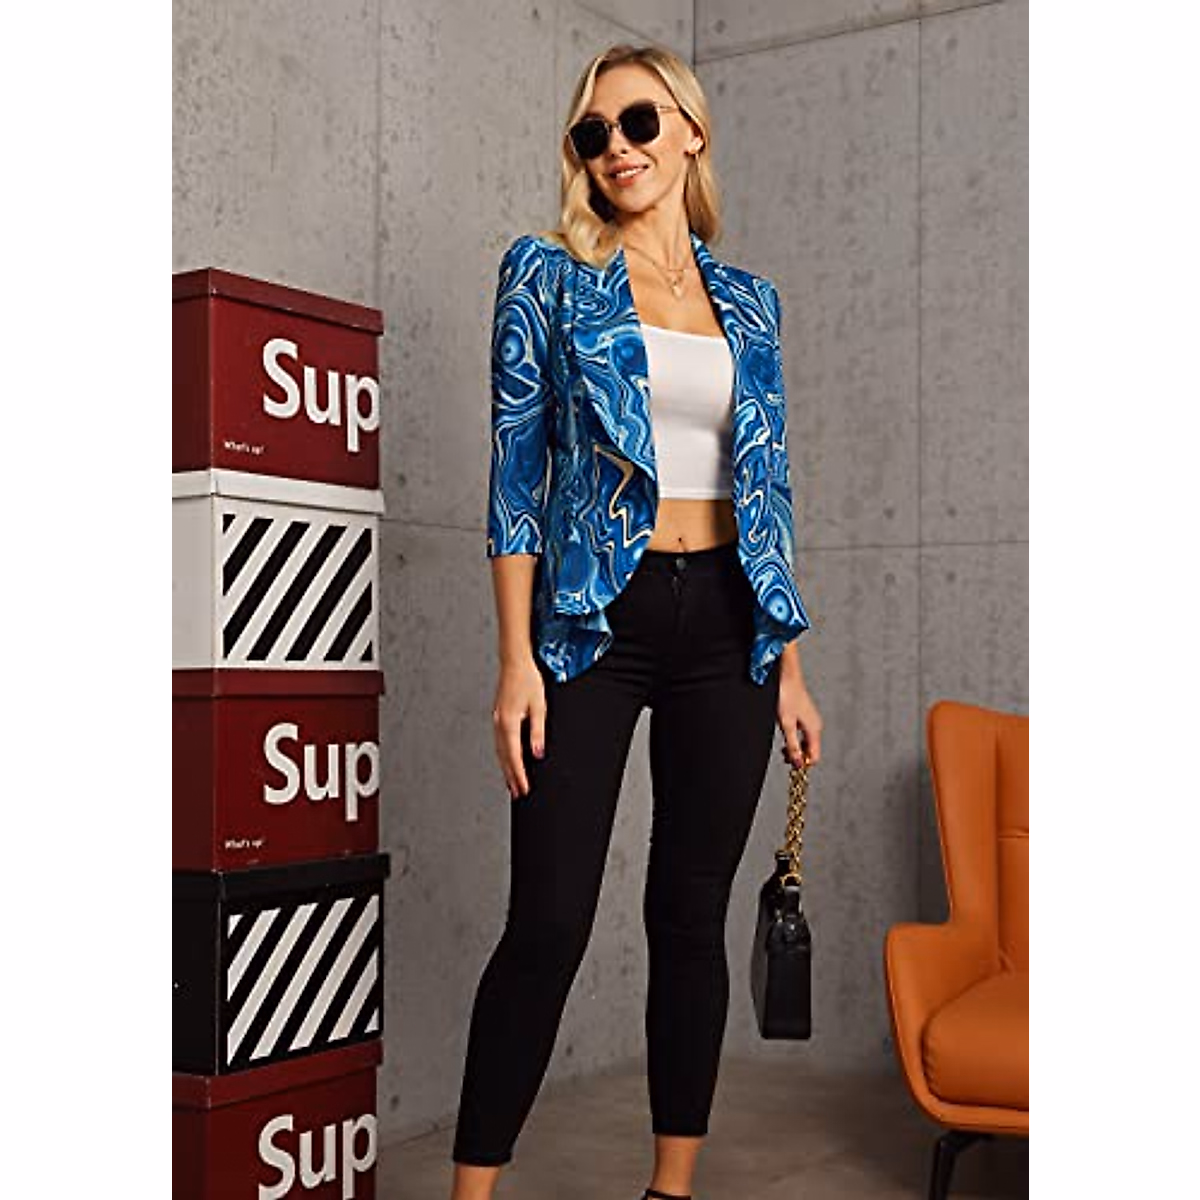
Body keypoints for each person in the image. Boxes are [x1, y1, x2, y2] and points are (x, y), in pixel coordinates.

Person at [451, 41, 824, 1200]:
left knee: (689, 913)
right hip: (591, 623)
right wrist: (515, 660)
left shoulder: (749, 302)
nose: (617, 146)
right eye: (593, 132)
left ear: (691, 132)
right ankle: (471, 1192)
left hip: (730, 623)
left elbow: (767, 484)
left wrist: (788, 661)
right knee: (549, 921)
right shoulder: (547, 275)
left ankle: (671, 1188)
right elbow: (517, 474)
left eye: (640, 122)